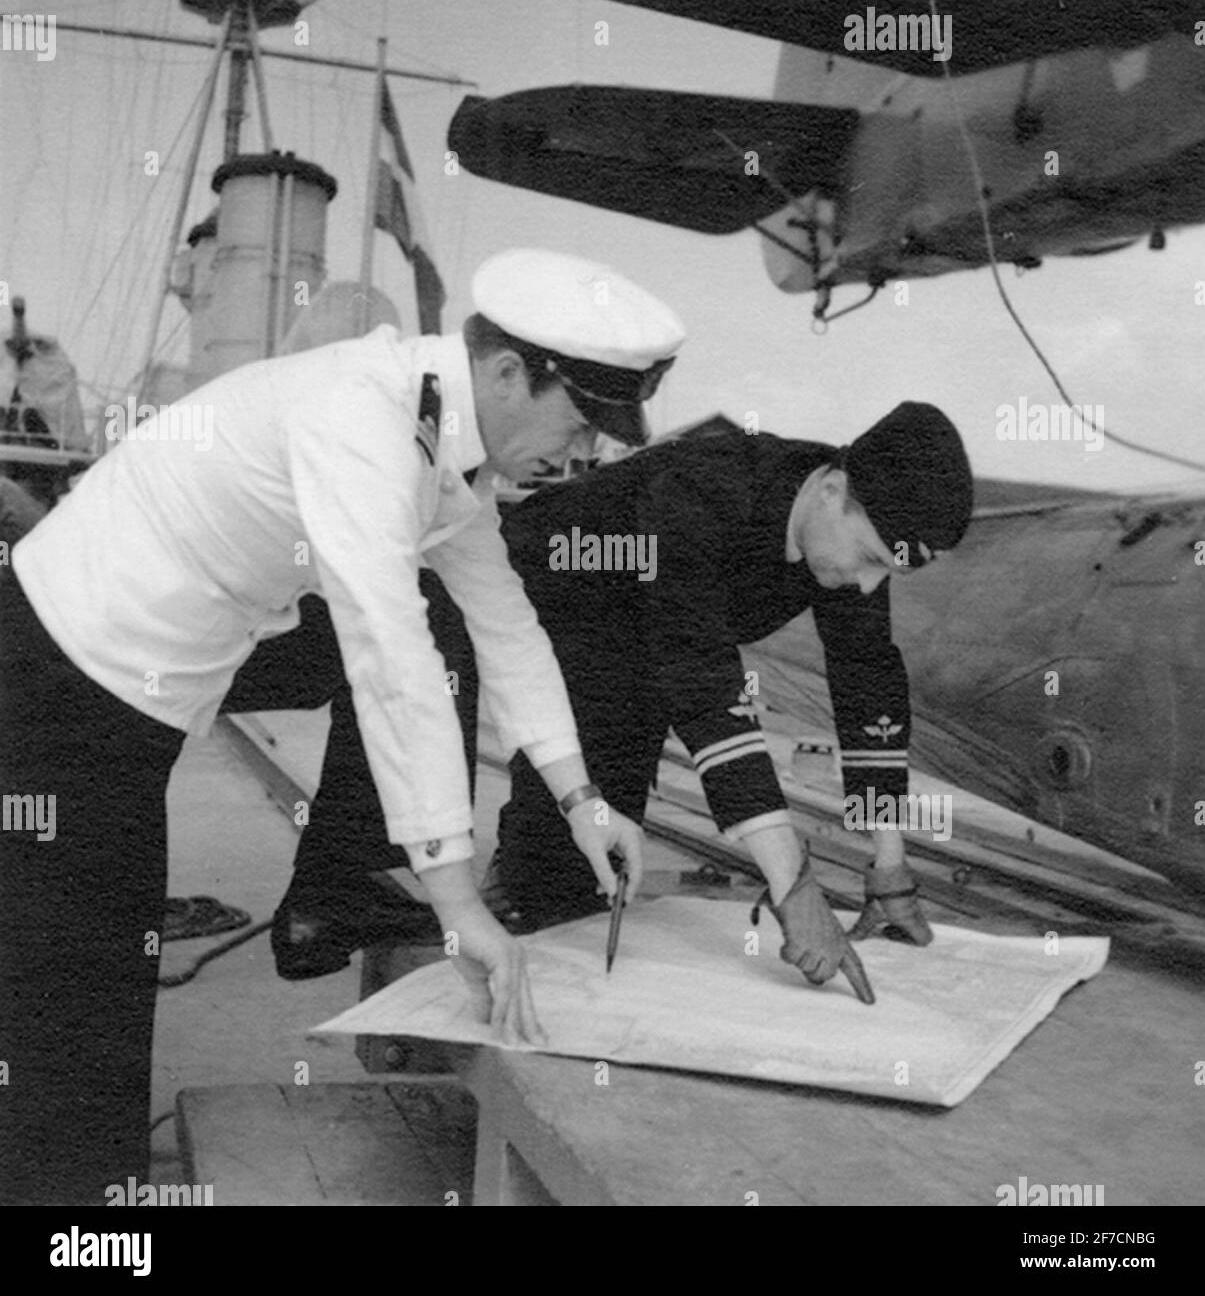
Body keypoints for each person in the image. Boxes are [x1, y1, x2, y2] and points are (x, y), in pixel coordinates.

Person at [0, 246, 684, 1206]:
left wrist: (583, 802)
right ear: (504, 375)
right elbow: (386, 650)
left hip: (131, 695)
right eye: (581, 419)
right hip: (60, 680)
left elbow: (509, 626)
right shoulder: (361, 416)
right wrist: (458, 903)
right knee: (72, 1004)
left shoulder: (437, 443)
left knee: (99, 988)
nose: (586, 454)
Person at [271, 402, 974, 1004]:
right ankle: (327, 899)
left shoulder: (846, 543)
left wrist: (888, 864)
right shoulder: (704, 492)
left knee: (573, 885)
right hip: (535, 579)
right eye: (872, 556)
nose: (864, 585)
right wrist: (793, 885)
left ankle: (527, 887)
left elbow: (868, 688)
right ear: (832, 490)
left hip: (627, 641)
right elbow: (706, 685)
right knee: (426, 681)